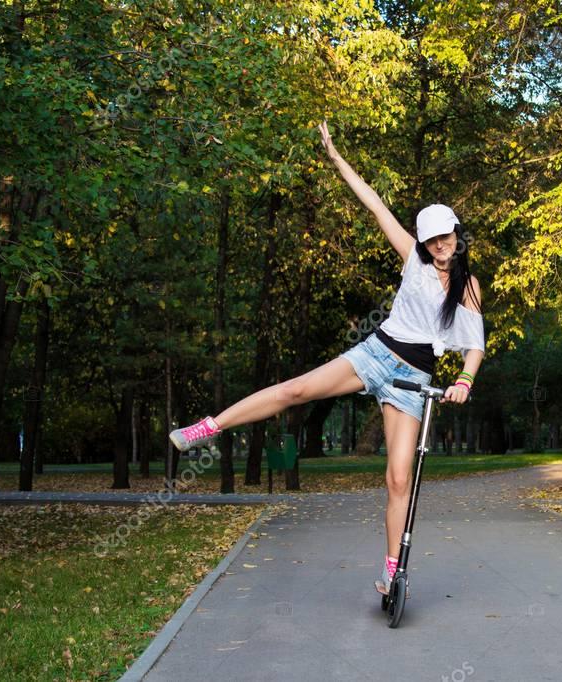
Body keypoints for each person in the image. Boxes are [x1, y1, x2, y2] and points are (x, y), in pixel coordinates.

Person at [169, 120, 486, 597]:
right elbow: (375, 204)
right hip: (376, 354)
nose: (441, 246)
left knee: (399, 478)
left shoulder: (468, 287)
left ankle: (391, 570)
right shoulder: (412, 260)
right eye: (432, 240)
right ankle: (209, 427)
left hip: (416, 380)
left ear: (457, 235)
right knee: (296, 389)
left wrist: (463, 379)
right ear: (423, 243)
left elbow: (475, 346)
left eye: (447, 237)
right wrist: (337, 159)